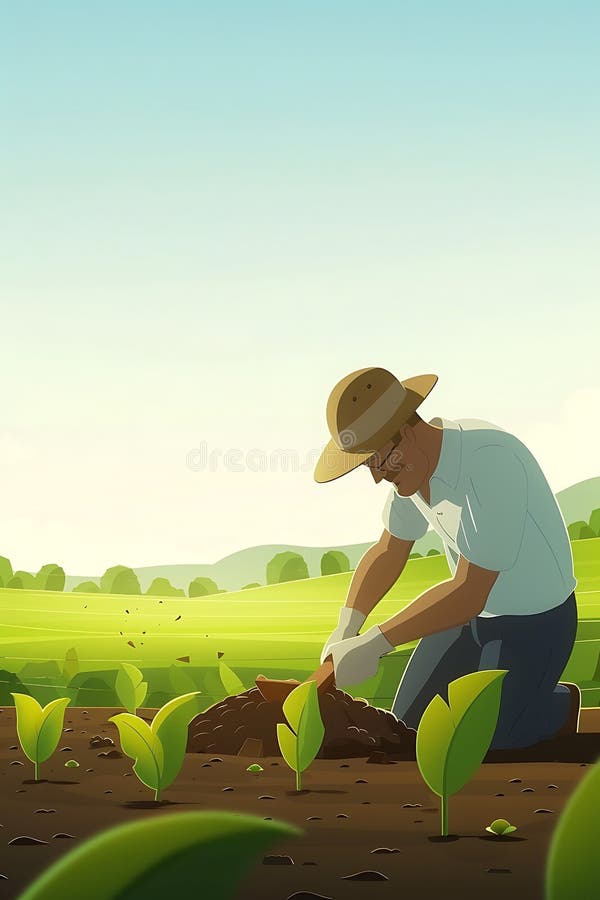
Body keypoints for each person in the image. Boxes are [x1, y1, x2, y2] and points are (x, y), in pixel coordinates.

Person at [313, 367, 580, 750]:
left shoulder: (491, 461)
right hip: (465, 619)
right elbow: (389, 550)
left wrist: (376, 643)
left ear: (406, 431)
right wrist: (347, 626)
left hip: (534, 622)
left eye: (378, 460)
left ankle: (556, 703)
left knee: (482, 742)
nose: (378, 477)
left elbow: (471, 590)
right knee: (409, 729)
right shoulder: (411, 470)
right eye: (369, 465)